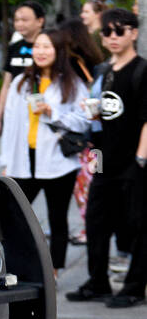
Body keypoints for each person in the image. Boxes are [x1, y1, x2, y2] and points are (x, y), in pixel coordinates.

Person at [67, 7, 147, 306]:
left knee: (137, 224)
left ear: (133, 33)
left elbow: (146, 120)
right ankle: (97, 281)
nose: (113, 37)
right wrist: (95, 161)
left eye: (120, 31)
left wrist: (140, 162)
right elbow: (96, 121)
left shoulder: (142, 70)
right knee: (96, 222)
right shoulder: (102, 72)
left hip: (134, 162)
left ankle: (134, 287)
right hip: (103, 160)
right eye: (107, 32)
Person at [0, 27, 89, 274]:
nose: (40, 51)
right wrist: (6, 160)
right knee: (13, 215)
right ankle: (16, 264)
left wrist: (53, 114)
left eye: (47, 46)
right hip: (24, 160)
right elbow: (12, 125)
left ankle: (54, 270)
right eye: (37, 46)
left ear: (58, 50)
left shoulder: (71, 83)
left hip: (59, 162)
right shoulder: (21, 82)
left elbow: (84, 119)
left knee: (58, 219)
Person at [56, 18, 104, 245]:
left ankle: (90, 231)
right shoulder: (96, 60)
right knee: (94, 186)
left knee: (85, 189)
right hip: (99, 136)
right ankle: (93, 229)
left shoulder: (74, 63)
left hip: (85, 140)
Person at [0, 0, 45, 141]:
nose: (19, 24)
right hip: (16, 113)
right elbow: (6, 85)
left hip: (41, 113)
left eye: (25, 20)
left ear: (40, 21)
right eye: (16, 20)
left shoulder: (49, 47)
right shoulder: (14, 47)